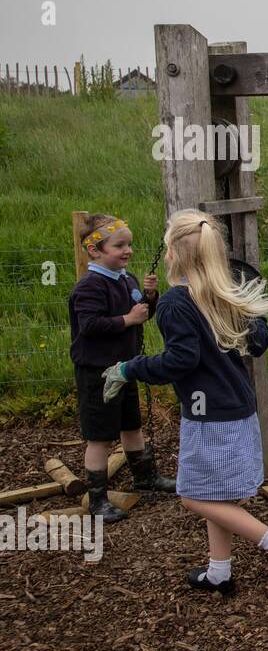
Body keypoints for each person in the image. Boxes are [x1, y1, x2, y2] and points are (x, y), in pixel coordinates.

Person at [104, 210, 268, 594]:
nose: (164, 255)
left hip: (210, 416)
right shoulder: (223, 292)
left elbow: (180, 361)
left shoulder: (178, 303)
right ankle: (219, 573)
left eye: (166, 248)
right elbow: (258, 343)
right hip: (237, 408)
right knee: (219, 495)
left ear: (175, 254)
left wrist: (130, 368)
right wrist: (248, 310)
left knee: (194, 496)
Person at [68, 213, 174, 523]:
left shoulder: (126, 279)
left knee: (132, 425)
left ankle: (145, 477)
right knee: (100, 437)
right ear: (95, 250)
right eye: (119, 245)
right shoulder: (89, 287)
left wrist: (151, 297)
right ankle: (98, 498)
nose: (127, 250)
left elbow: (142, 313)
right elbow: (89, 326)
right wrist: (128, 319)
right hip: (97, 372)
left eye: (128, 244)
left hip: (124, 368)